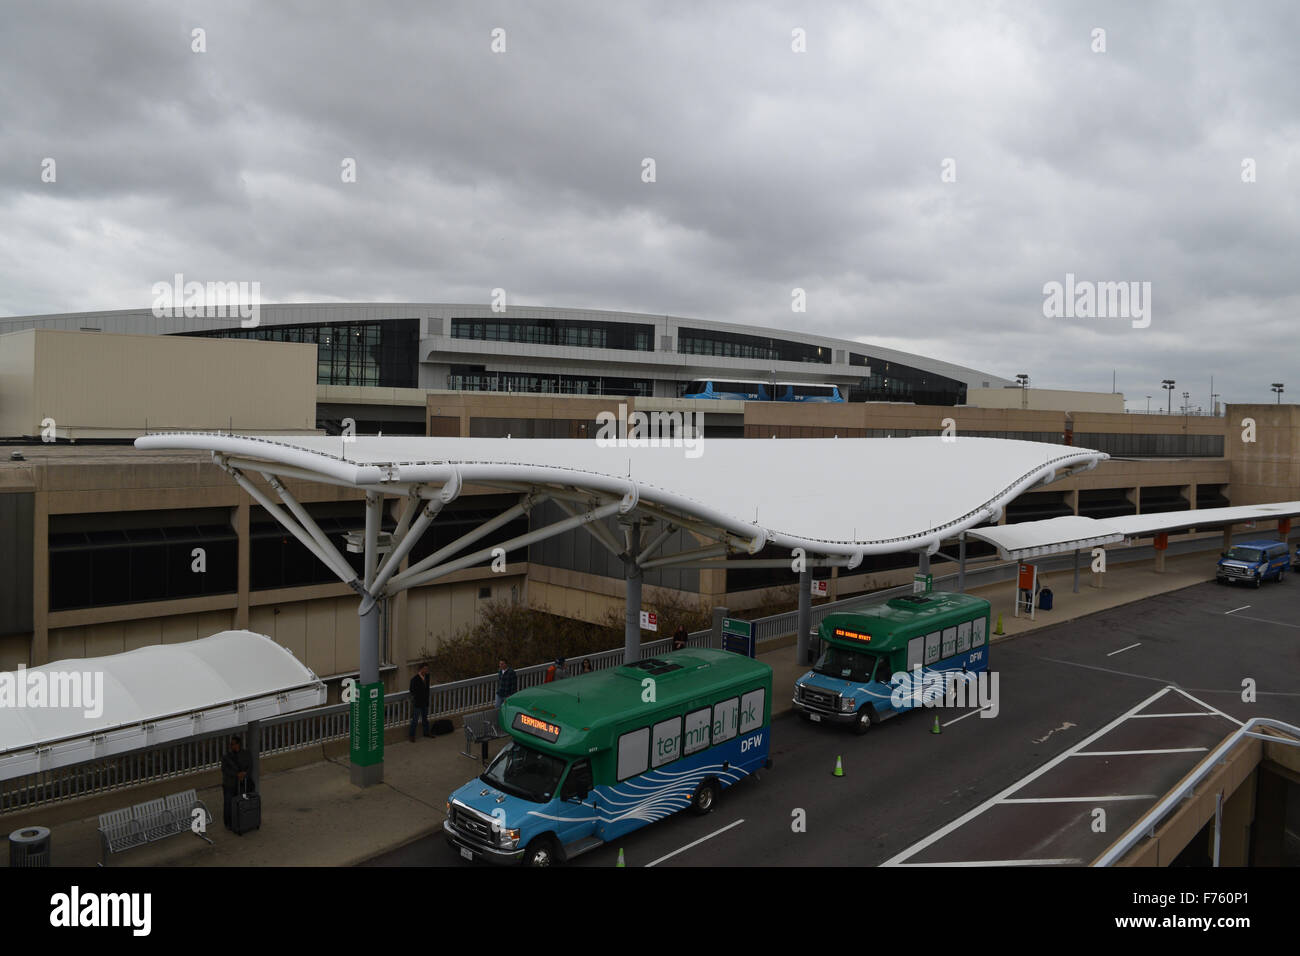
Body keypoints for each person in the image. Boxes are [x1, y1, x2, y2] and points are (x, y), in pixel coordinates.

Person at [220, 735, 253, 831]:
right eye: (231, 744)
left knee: (241, 802)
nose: (231, 746)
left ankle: (240, 820)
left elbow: (250, 766)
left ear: (238, 744)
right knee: (228, 803)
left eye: (233, 744)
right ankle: (228, 823)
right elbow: (225, 770)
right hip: (230, 784)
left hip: (242, 783)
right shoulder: (226, 757)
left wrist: (244, 774)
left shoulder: (246, 754)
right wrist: (237, 774)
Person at [409, 662, 431, 741]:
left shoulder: (427, 677)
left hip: (425, 702)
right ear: (421, 669)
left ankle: (426, 733)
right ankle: (412, 736)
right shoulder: (414, 679)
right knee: (415, 720)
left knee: (425, 719)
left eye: (427, 669)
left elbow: (427, 689)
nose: (426, 670)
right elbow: (412, 690)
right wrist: (417, 697)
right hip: (418, 703)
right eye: (425, 669)